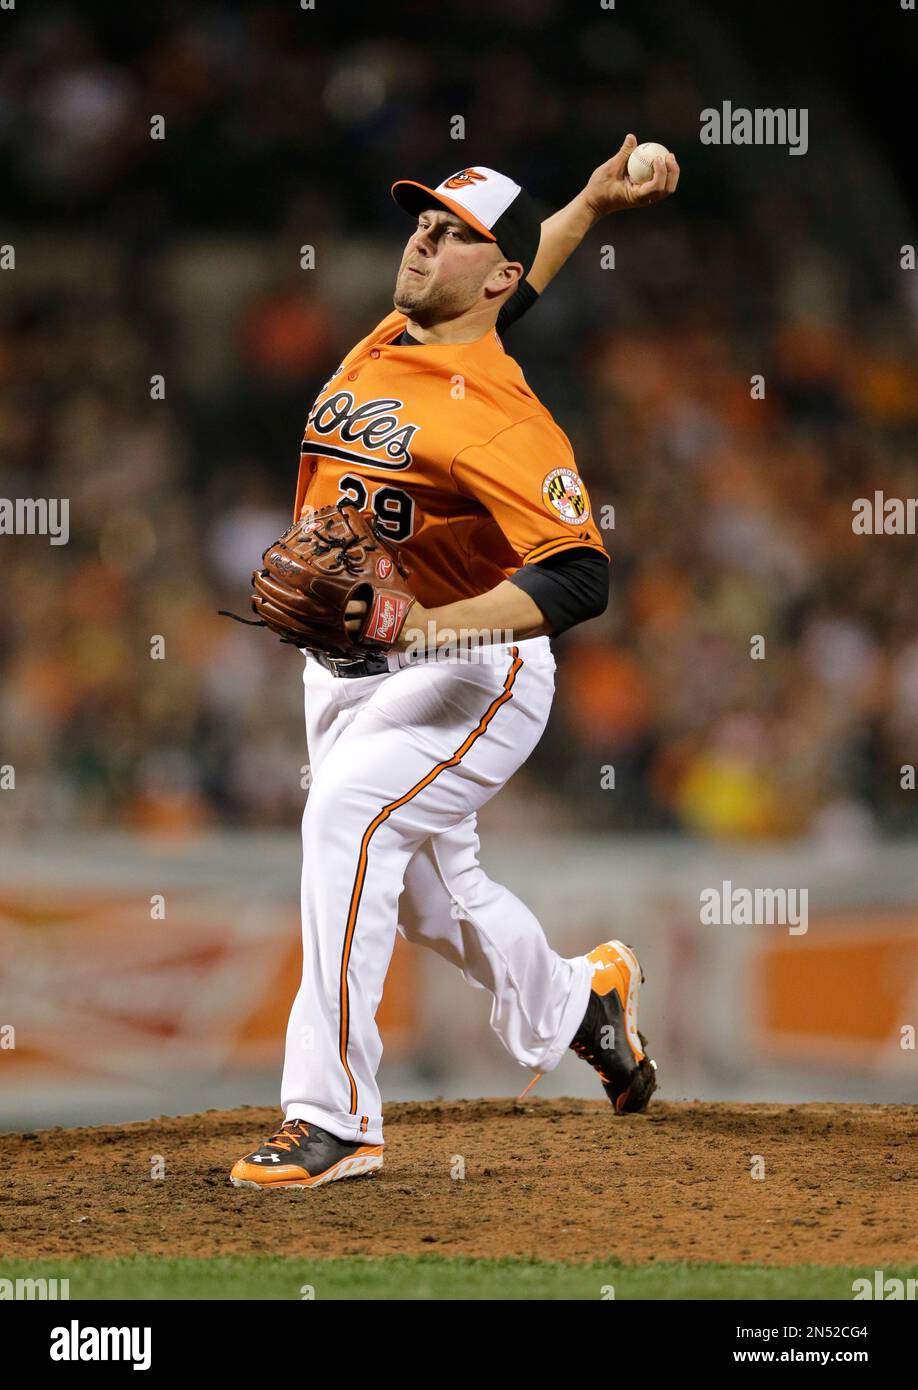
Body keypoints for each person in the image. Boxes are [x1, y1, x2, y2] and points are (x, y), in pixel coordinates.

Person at [230, 136, 680, 1189]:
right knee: (436, 895)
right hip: (346, 665)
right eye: (424, 222)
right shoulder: (398, 337)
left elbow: (580, 579)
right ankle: (582, 1002)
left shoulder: (508, 417)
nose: (425, 239)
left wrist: (419, 632)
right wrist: (588, 204)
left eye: (453, 233)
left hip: (475, 668)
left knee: (346, 817)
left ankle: (333, 1115)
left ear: (496, 271)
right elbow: (512, 280)